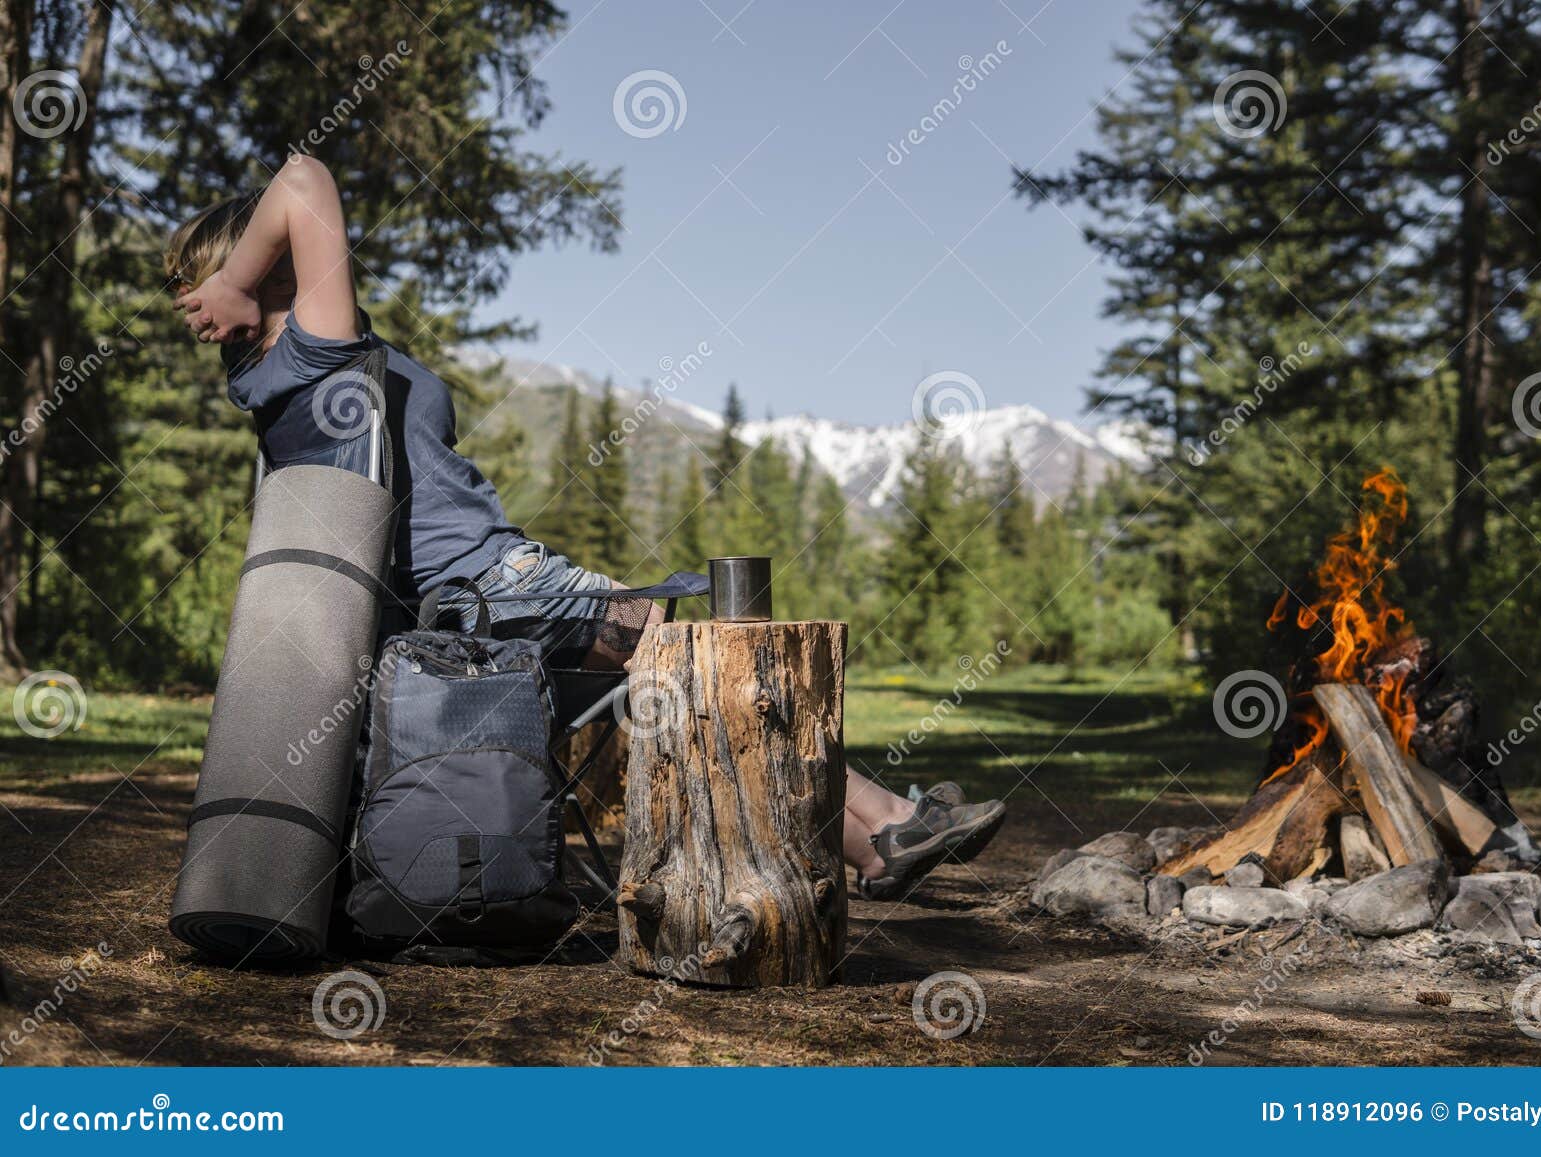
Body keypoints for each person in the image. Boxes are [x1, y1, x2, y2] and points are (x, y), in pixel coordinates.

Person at [165, 155, 1005, 902]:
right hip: (493, 592)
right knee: (710, 666)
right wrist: (237, 282)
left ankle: (876, 841)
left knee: (687, 687)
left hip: (484, 593)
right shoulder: (313, 353)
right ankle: (888, 822)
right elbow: (305, 176)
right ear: (272, 266)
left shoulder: (291, 376)